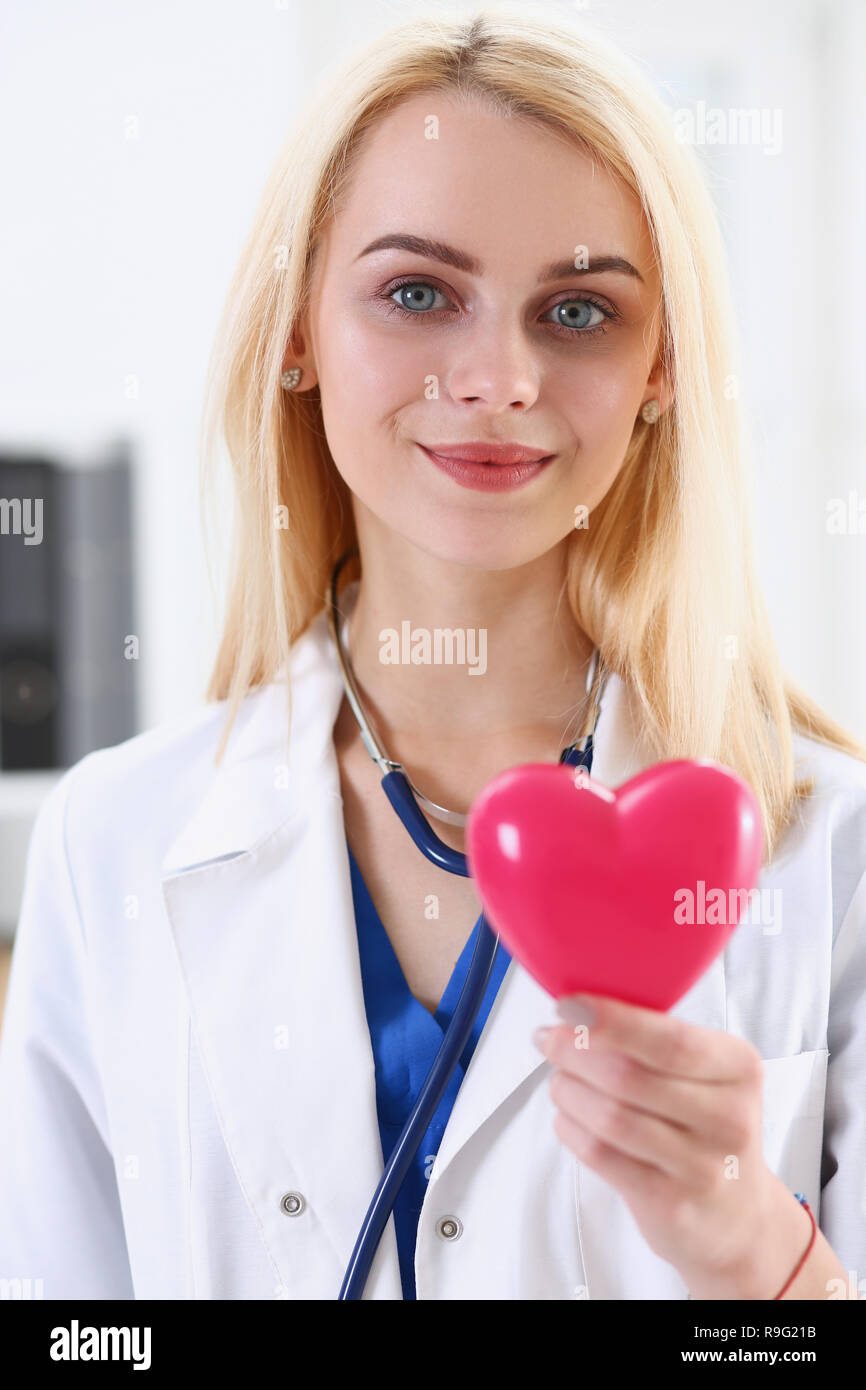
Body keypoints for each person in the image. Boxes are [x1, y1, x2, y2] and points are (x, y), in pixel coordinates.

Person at [1, 4, 864, 1302]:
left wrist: (754, 1248)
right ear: (297, 327)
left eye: (577, 310)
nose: (497, 375)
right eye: (417, 292)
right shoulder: (112, 841)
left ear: (660, 370)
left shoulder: (828, 851)